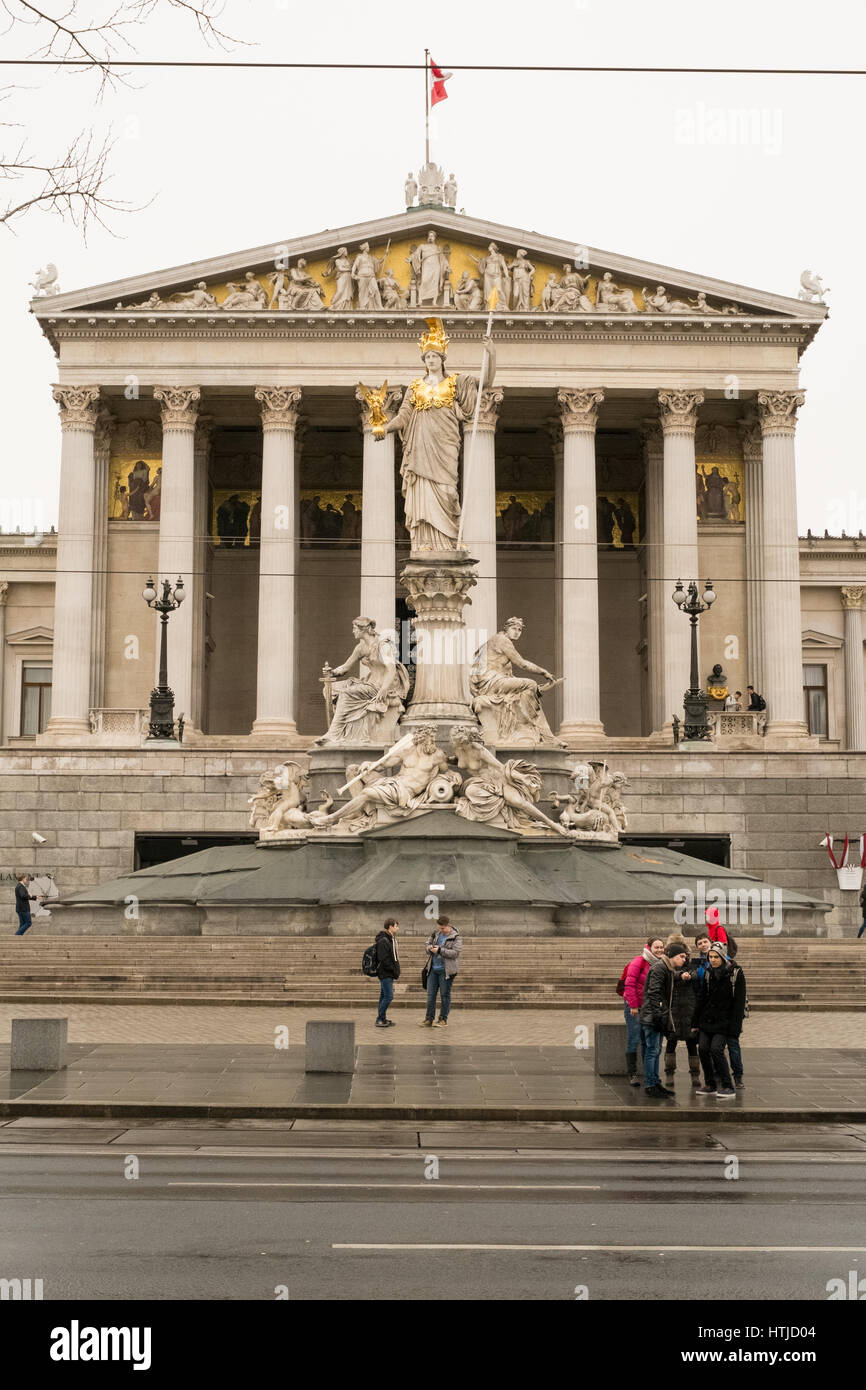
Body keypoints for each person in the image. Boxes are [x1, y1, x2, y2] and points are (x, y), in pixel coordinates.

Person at [691, 942, 747, 1098]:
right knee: (702, 1049)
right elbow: (701, 999)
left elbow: (739, 1003)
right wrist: (695, 1023)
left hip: (725, 1022)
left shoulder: (736, 973)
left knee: (716, 1050)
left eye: (716, 957)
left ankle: (728, 1085)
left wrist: (735, 1028)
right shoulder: (708, 973)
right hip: (707, 1020)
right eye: (711, 957)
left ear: (723, 956)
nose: (713, 960)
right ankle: (710, 1084)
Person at [639, 943, 688, 1098]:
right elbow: (653, 993)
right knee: (652, 1050)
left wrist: (680, 976)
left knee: (656, 1049)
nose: (684, 960)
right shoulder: (660, 968)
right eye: (682, 956)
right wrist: (658, 1015)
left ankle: (655, 1082)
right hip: (652, 1016)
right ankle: (650, 1085)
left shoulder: (666, 968)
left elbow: (670, 979)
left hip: (656, 1015)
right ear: (672, 956)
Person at [622, 937, 664, 1084]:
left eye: (661, 947)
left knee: (648, 1042)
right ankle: (632, 1073)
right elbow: (630, 983)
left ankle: (650, 1076)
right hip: (635, 1007)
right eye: (656, 947)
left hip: (650, 1007)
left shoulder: (661, 963)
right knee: (634, 1039)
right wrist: (633, 1005)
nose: (659, 950)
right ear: (649, 947)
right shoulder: (639, 961)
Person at [662, 933, 701, 1087]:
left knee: (692, 1042)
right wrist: (679, 976)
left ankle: (695, 1075)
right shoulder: (666, 966)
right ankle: (669, 1073)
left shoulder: (689, 962)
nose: (683, 958)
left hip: (689, 1008)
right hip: (674, 1008)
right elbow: (668, 976)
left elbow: (695, 973)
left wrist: (689, 975)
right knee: (671, 1042)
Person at [419, 914, 462, 1028]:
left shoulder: (456, 937)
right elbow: (427, 944)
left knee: (445, 995)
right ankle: (429, 1019)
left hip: (446, 971)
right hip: (433, 969)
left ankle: (443, 1019)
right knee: (430, 995)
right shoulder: (436, 934)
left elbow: (455, 953)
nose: (440, 930)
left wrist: (440, 950)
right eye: (439, 928)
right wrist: (430, 948)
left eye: (442, 928)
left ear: (448, 926)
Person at [374, 917, 400, 1028]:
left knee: (383, 996)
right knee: (389, 996)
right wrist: (393, 969)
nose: (397, 928)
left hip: (388, 972)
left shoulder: (389, 938)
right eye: (396, 926)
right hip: (385, 973)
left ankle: (382, 1018)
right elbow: (384, 959)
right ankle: (379, 1018)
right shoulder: (384, 940)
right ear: (390, 926)